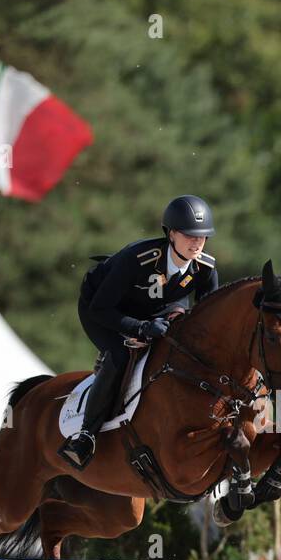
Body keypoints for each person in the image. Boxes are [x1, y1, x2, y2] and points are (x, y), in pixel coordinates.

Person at [59, 195, 219, 469]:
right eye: (190, 235)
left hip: (152, 309)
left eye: (202, 237)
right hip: (102, 308)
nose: (197, 243)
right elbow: (101, 309)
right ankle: (85, 435)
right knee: (122, 353)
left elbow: (209, 320)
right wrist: (140, 327)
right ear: (171, 234)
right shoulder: (139, 259)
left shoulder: (205, 269)